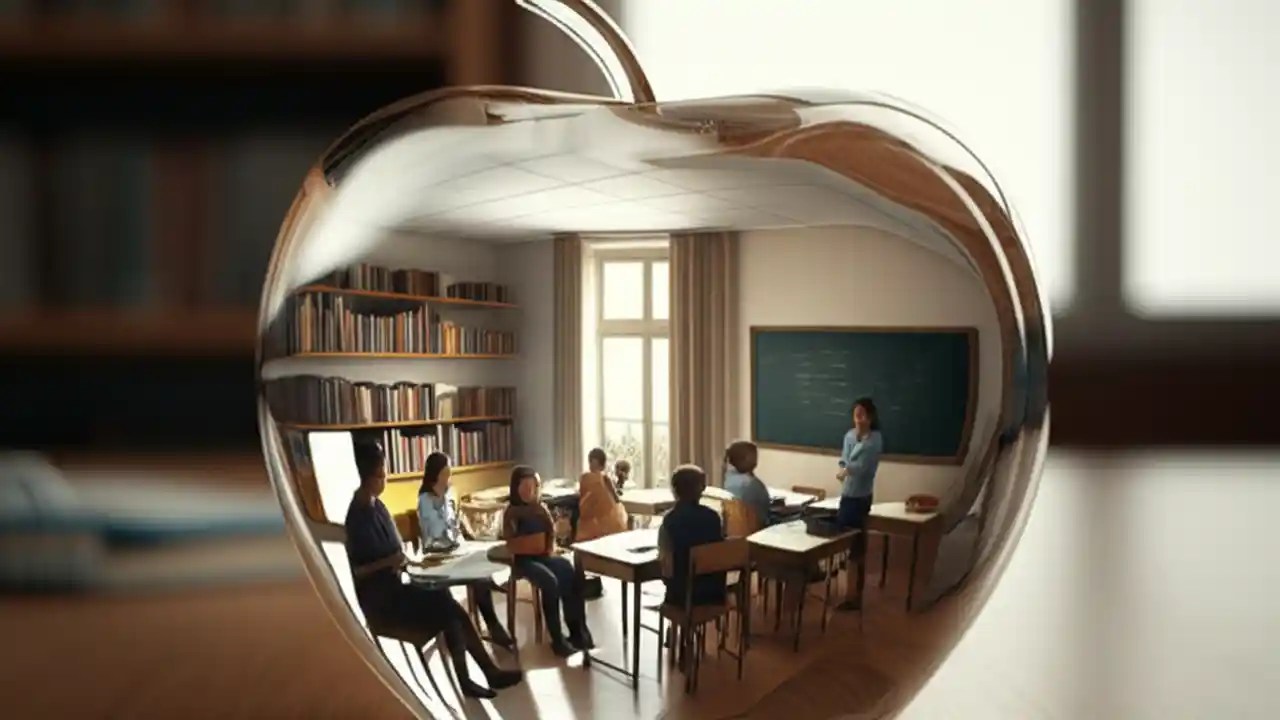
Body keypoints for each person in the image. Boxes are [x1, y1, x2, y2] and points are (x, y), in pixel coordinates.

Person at [344, 440, 522, 699]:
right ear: (365, 477)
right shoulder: (356, 517)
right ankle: (478, 676)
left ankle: (481, 674)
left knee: (447, 602)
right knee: (447, 609)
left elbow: (396, 549)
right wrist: (388, 563)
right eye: (381, 474)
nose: (385, 479)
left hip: (396, 585)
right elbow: (357, 572)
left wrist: (402, 560)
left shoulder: (378, 506)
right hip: (382, 601)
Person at [417, 451, 514, 650]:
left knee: (481, 568)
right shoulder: (425, 500)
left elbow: (454, 527)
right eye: (446, 472)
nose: (449, 476)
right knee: (478, 577)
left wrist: (449, 506)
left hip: (455, 548)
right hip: (436, 555)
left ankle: (493, 624)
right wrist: (443, 502)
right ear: (436, 474)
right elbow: (436, 532)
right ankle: (488, 624)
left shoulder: (448, 495)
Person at [502, 465, 594, 657]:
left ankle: (578, 632)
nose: (529, 490)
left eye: (533, 486)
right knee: (549, 581)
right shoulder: (512, 511)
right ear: (516, 488)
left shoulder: (541, 509)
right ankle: (557, 640)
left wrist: (550, 546)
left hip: (543, 555)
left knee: (570, 570)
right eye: (524, 486)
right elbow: (510, 542)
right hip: (523, 561)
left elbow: (551, 536)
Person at [834, 397, 884, 610]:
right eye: (856, 413)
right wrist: (846, 466)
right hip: (847, 495)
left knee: (856, 546)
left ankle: (854, 595)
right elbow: (845, 459)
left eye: (862, 414)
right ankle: (846, 592)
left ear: (871, 417)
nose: (858, 418)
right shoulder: (849, 436)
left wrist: (847, 468)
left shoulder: (875, 439)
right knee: (844, 543)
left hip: (861, 496)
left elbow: (861, 465)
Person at [658, 464, 727, 608]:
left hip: (681, 597)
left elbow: (666, 565)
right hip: (715, 594)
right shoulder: (713, 517)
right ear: (702, 490)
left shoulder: (670, 520)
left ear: (674, 490)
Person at [575, 447, 628, 543]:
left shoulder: (586, 478)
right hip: (613, 528)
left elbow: (583, 502)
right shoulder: (606, 479)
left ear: (592, 462)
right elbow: (617, 501)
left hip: (593, 529)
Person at [723, 440, 773, 530]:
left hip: (734, 530)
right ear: (747, 458)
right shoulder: (752, 484)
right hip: (758, 529)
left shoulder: (727, 478)